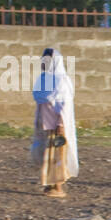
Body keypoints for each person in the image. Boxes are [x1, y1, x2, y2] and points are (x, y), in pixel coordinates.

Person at [30, 48, 79, 198]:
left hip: (56, 125)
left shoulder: (62, 80)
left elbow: (64, 105)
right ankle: (49, 184)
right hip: (43, 123)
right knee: (44, 155)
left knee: (57, 156)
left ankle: (58, 187)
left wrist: (61, 124)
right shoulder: (43, 79)